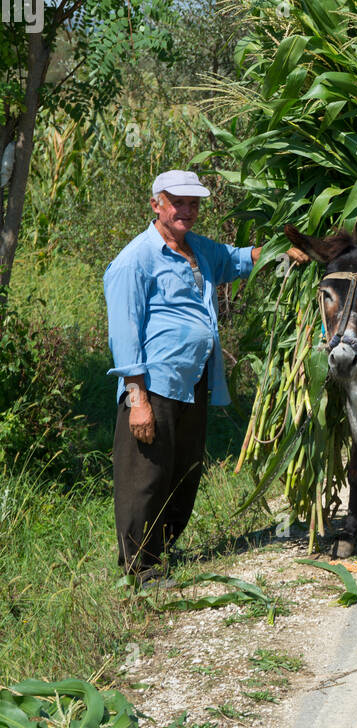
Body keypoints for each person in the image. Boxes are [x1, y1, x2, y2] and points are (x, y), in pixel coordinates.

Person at [104, 169, 305, 583]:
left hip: (193, 381)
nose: (187, 210)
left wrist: (289, 251)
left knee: (184, 471)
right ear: (156, 203)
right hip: (154, 385)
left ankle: (162, 552)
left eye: (194, 203)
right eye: (178, 202)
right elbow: (124, 335)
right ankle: (140, 571)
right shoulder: (135, 260)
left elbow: (239, 259)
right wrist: (136, 400)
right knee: (146, 477)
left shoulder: (198, 249)